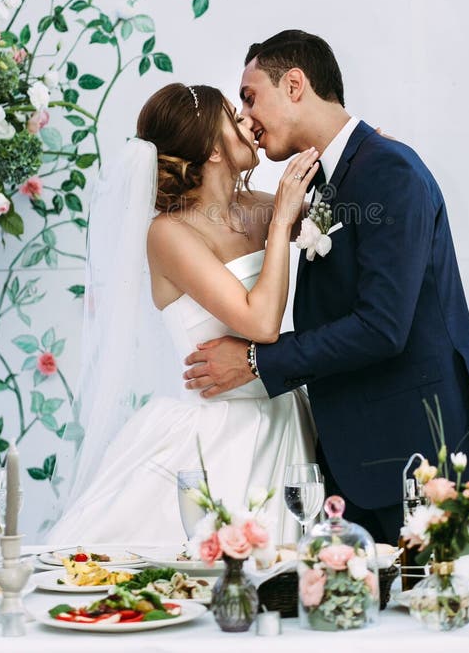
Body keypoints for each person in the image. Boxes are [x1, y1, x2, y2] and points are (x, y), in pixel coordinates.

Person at [183, 29, 469, 548]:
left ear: (294, 84)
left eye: (251, 97)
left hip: (423, 467)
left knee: (440, 622)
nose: (246, 117)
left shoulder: (389, 170)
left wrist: (254, 362)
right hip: (356, 467)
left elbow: (382, 327)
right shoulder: (323, 180)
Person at [47, 83, 318, 546]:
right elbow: (260, 323)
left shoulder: (258, 208)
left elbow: (333, 219)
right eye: (236, 119)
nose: (250, 123)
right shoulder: (168, 234)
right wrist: (280, 225)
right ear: (213, 150)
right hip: (214, 435)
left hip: (285, 417)